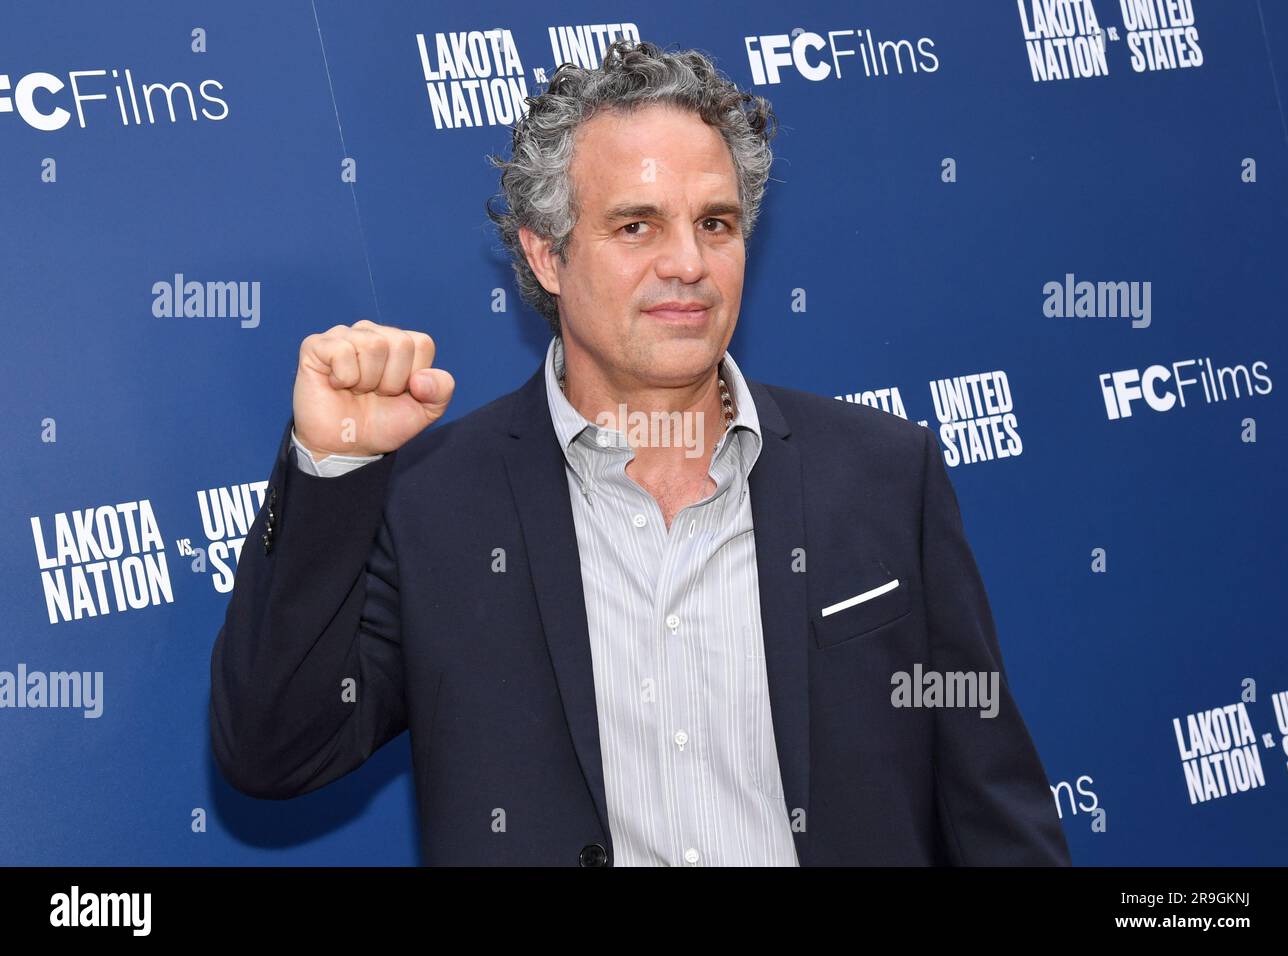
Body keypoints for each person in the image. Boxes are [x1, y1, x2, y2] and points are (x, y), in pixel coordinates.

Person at [209, 39, 1070, 867]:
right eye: (636, 226)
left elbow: (992, 807)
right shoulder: (436, 504)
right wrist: (335, 467)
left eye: (716, 223)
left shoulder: (885, 471)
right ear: (546, 254)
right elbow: (275, 751)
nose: (689, 264)